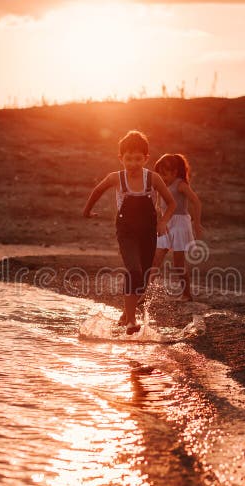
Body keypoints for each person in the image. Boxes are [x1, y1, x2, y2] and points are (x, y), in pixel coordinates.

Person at [82, 130, 176, 335]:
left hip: (148, 231)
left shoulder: (153, 178)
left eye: (138, 159)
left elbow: (171, 203)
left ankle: (127, 312)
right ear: (120, 158)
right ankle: (131, 321)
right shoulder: (116, 178)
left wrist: (163, 222)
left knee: (142, 277)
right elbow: (98, 190)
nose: (133, 163)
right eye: (128, 159)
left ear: (146, 158)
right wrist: (87, 210)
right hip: (126, 231)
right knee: (133, 269)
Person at [150, 153, 205, 301]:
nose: (162, 177)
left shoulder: (180, 184)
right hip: (165, 223)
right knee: (157, 258)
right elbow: (157, 206)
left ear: (174, 172)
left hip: (180, 224)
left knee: (178, 263)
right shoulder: (161, 185)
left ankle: (187, 293)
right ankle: (144, 292)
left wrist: (197, 223)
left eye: (165, 174)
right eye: (159, 174)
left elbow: (197, 202)